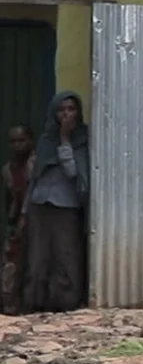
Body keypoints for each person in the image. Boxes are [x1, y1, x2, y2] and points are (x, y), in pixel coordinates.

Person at [23, 93, 89, 314]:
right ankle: (36, 303)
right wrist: (25, 210)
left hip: (66, 205)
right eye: (61, 110)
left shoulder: (82, 139)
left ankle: (65, 303)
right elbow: (35, 179)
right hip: (40, 204)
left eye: (71, 109)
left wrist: (65, 139)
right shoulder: (45, 140)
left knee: (66, 255)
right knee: (38, 256)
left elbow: (74, 173)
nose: (66, 114)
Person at [2, 125, 31, 314]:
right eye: (13, 142)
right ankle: (10, 304)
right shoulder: (7, 170)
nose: (18, 145)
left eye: (21, 140)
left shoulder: (37, 164)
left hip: (37, 220)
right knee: (11, 261)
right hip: (16, 222)